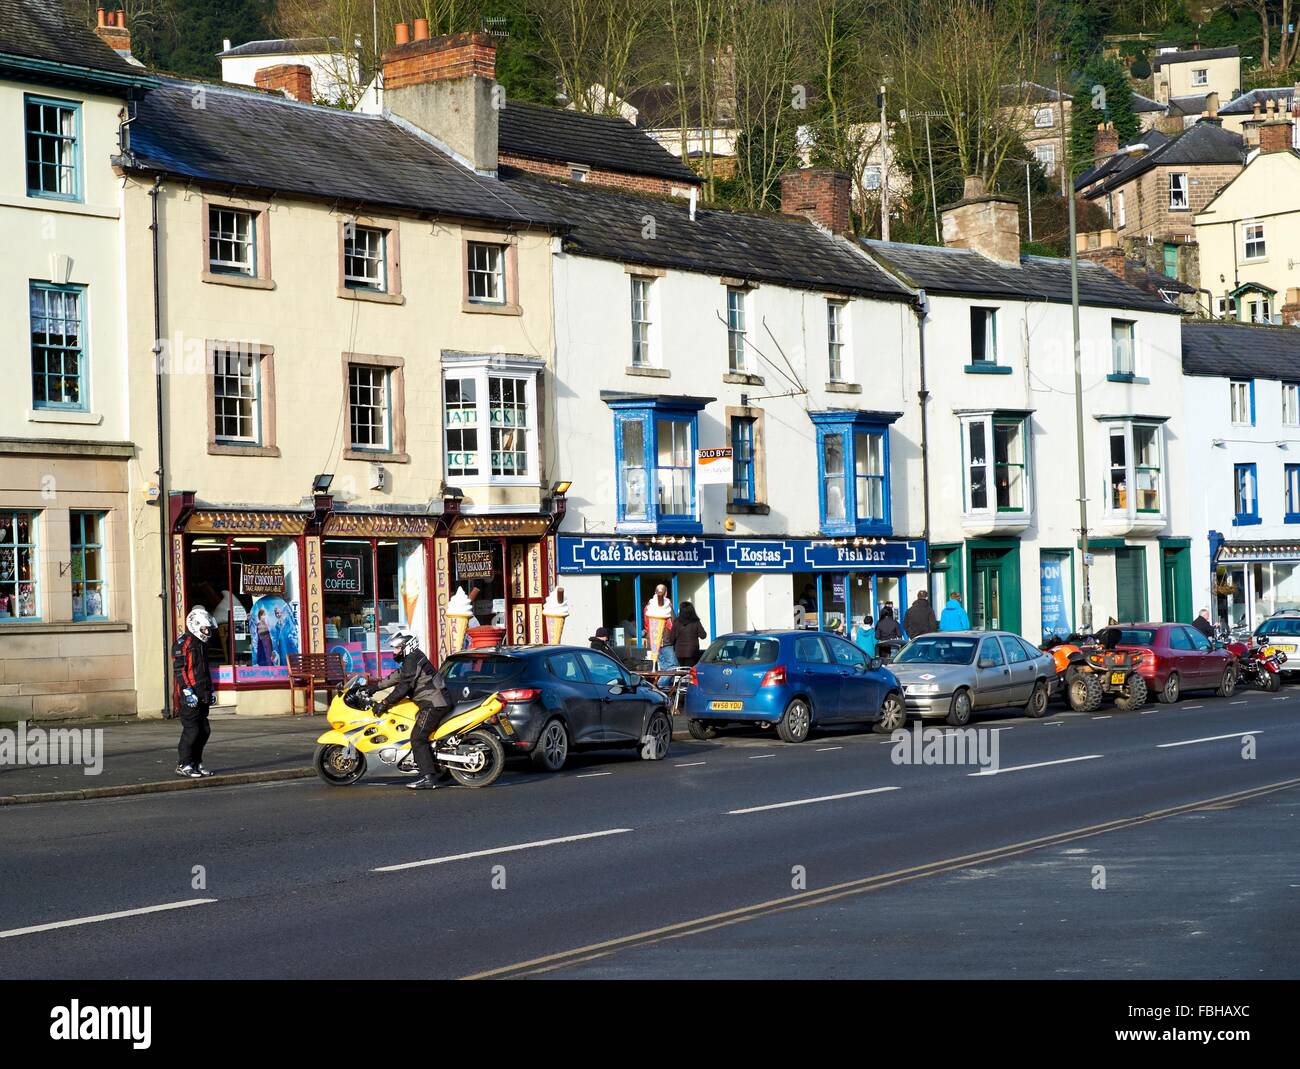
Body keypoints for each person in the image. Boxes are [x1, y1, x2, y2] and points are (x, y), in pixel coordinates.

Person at [372, 627, 450, 791]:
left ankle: (428, 777)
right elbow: (398, 676)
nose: (395, 651)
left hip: (433, 704)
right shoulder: (412, 659)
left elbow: (404, 687)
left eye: (397, 647)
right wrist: (373, 687)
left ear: (408, 645)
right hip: (432, 702)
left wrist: (385, 702)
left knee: (417, 737)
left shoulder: (413, 658)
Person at [173, 606, 217, 778]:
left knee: (204, 730)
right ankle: (183, 764)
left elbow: (205, 670)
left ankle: (196, 763)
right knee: (192, 731)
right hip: (189, 694)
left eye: (207, 628)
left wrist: (210, 690)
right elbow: (179, 670)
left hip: (202, 692)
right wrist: (186, 691)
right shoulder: (183, 643)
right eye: (204, 628)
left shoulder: (202, 644)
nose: (207, 631)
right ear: (195, 625)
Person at [670, 602, 708, 667]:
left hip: (679, 652)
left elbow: (672, 639)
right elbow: (703, 636)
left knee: (681, 672)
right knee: (690, 673)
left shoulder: (676, 622)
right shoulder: (695, 622)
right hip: (692, 652)